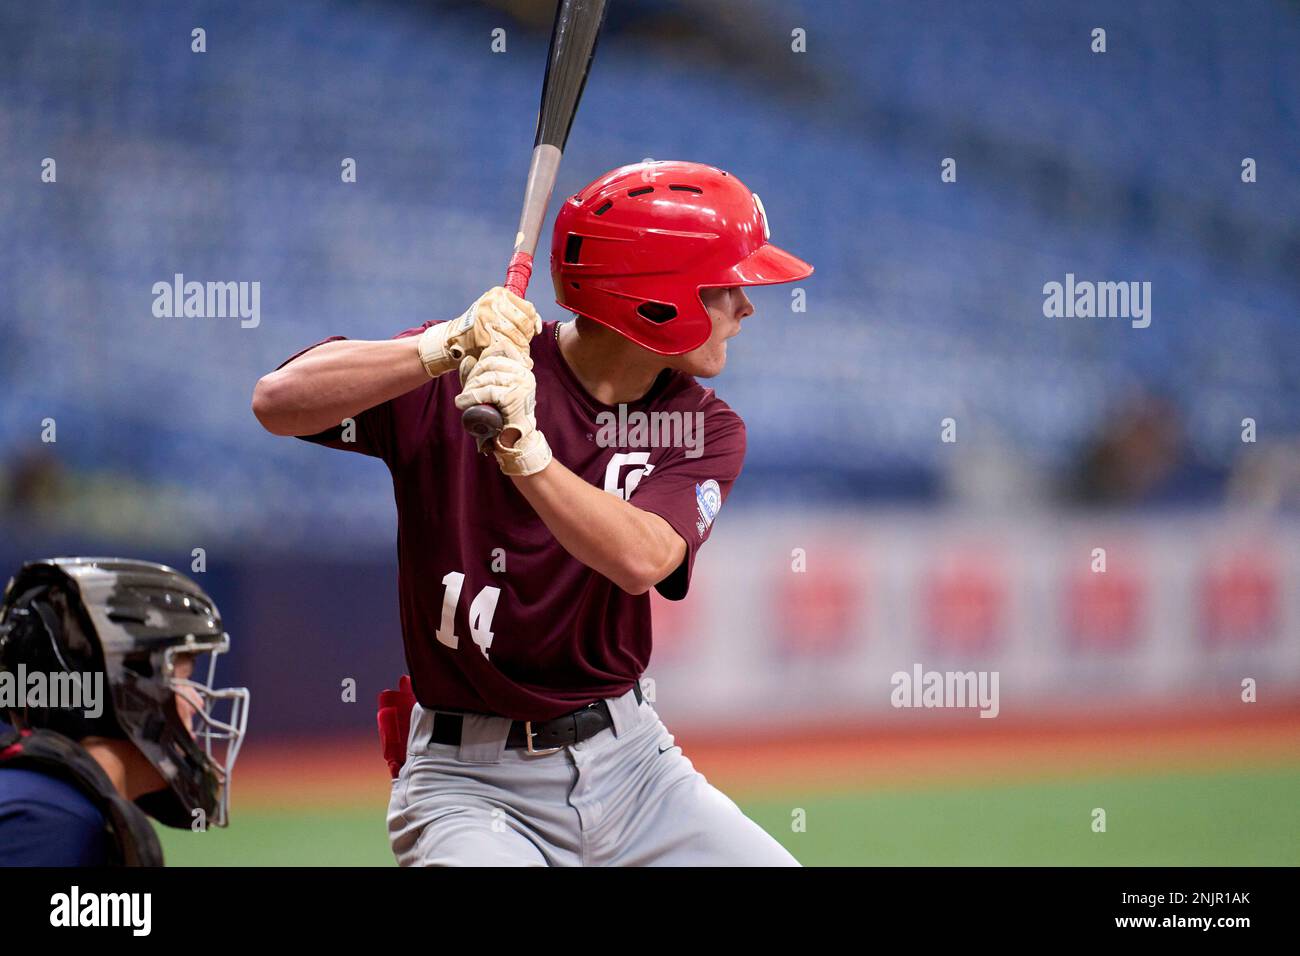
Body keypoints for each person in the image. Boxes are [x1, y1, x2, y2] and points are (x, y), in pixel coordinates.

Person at [252, 160, 812, 866]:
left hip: (636, 767)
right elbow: (276, 403)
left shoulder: (704, 425)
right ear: (658, 298)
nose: (747, 306)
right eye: (727, 284)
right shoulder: (470, 366)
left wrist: (527, 454)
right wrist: (437, 347)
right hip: (467, 782)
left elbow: (643, 558)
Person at [0, 557, 249, 866]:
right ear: (128, 693)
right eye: (182, 679)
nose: (198, 702)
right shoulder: (51, 821)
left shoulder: (51, 803)